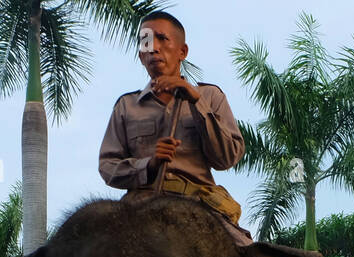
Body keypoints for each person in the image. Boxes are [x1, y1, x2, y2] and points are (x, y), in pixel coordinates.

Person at [98, 11, 249, 242]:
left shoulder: (210, 96)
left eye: (162, 39)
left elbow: (227, 158)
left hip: (201, 207)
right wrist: (148, 164)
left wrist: (195, 101)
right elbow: (108, 167)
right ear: (141, 55)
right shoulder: (126, 106)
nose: (154, 48)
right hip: (140, 208)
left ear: (183, 52)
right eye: (146, 42)